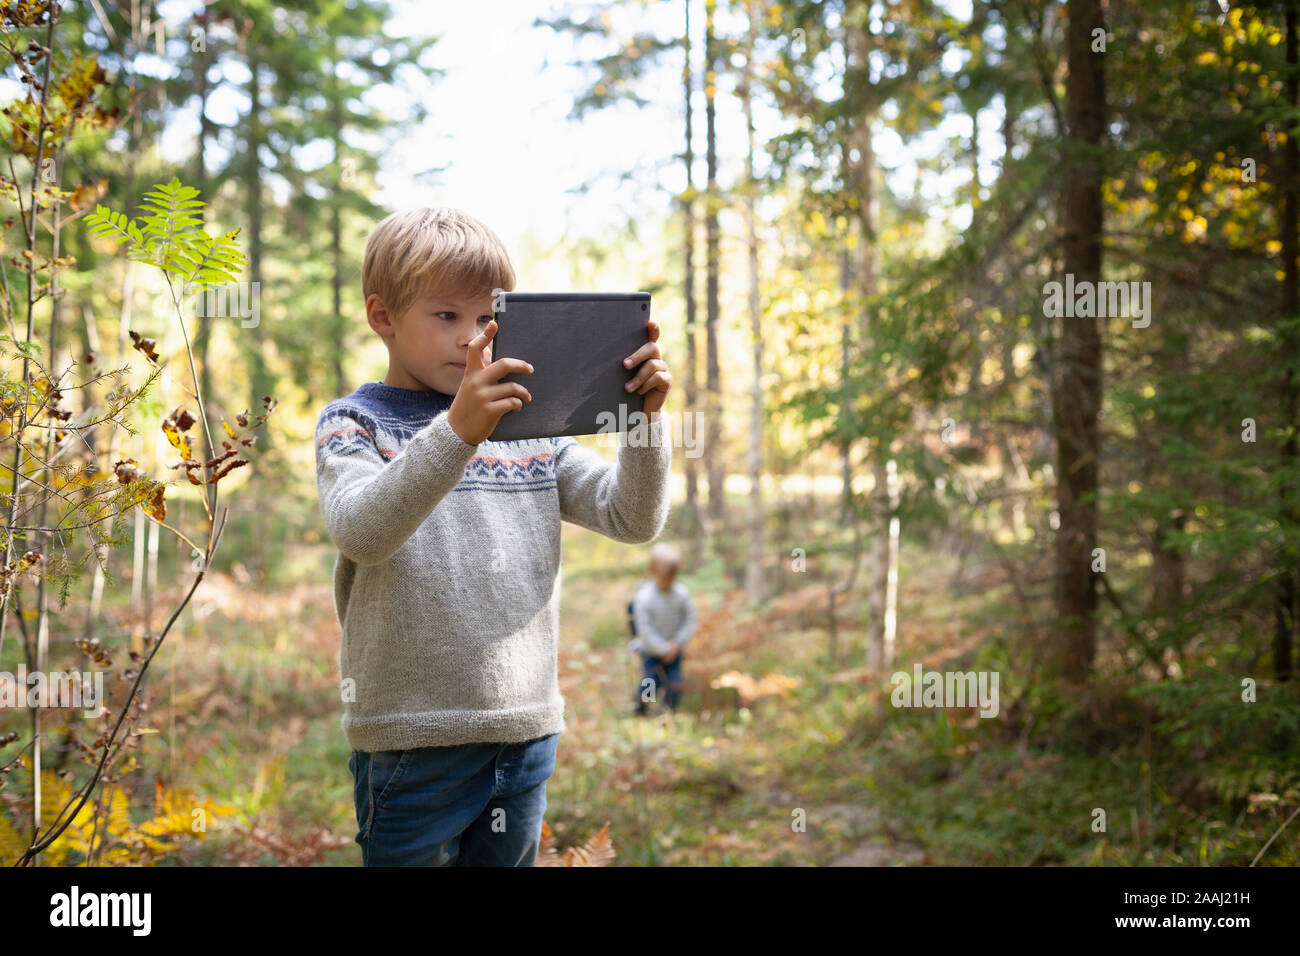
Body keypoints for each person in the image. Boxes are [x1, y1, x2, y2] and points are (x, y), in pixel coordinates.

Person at [314, 207, 674, 866]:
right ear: (383, 317)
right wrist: (457, 432)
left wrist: (644, 426)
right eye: (446, 315)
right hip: (411, 746)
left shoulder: (527, 425)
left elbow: (630, 518)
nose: (471, 338)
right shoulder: (354, 423)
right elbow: (362, 531)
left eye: (488, 319)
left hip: (526, 734)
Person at [631, 542, 697, 715]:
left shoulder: (681, 594)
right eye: (664, 578)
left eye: (671, 578)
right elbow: (644, 629)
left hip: (675, 650)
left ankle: (667, 714)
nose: (668, 582)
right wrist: (663, 648)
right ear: (652, 572)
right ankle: (641, 710)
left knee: (674, 684)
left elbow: (690, 619)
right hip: (651, 651)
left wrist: (677, 644)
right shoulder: (645, 597)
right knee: (650, 684)